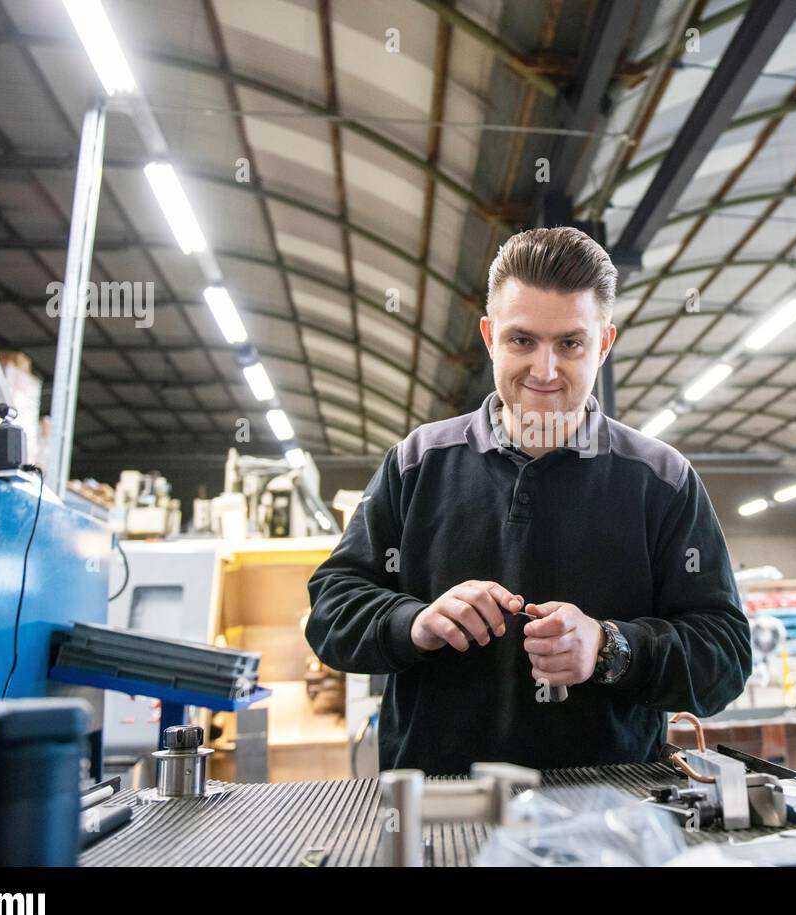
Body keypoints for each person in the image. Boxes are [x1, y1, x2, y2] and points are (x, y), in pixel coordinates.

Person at [305, 226, 750, 773]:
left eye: (570, 343)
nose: (544, 370)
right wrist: (415, 623)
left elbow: (725, 657)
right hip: (437, 805)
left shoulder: (661, 480)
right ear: (490, 337)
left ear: (604, 344)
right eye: (522, 341)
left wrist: (610, 648)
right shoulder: (417, 463)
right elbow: (330, 610)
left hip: (610, 810)